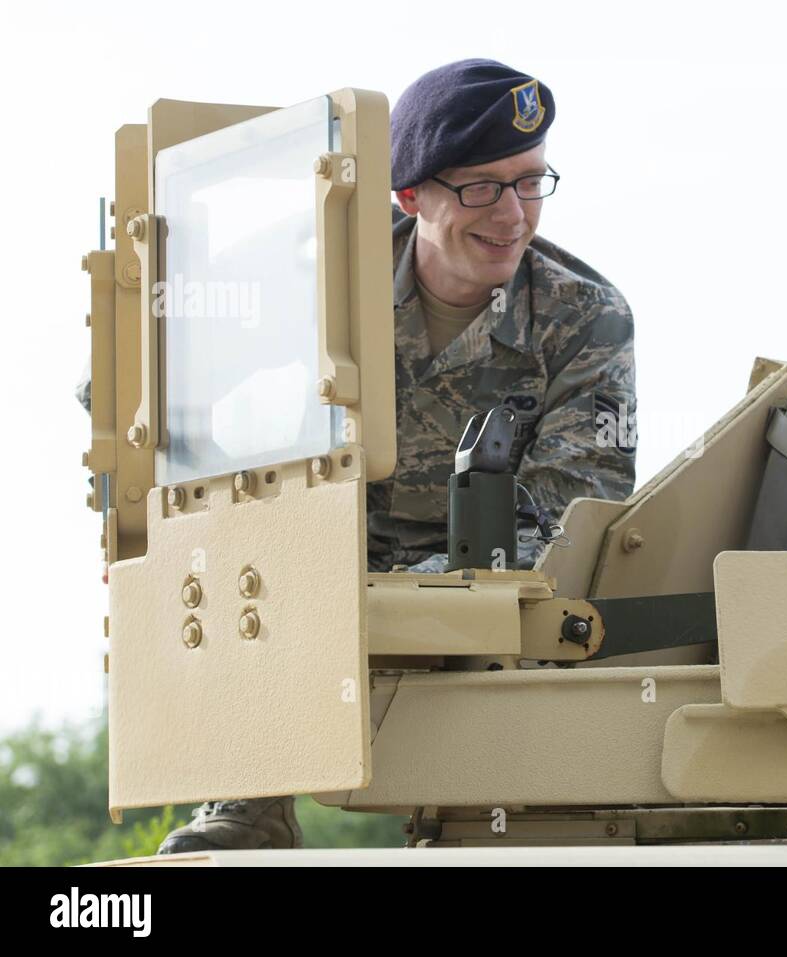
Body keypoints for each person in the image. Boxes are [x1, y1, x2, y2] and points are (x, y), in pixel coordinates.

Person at [150, 60, 637, 854]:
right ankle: (253, 793)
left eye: (531, 182)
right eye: (482, 187)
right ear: (412, 196)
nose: (513, 214)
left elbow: (573, 506)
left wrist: (426, 593)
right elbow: (138, 377)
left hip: (493, 575)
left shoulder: (585, 317)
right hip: (327, 563)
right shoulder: (322, 279)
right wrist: (155, 520)